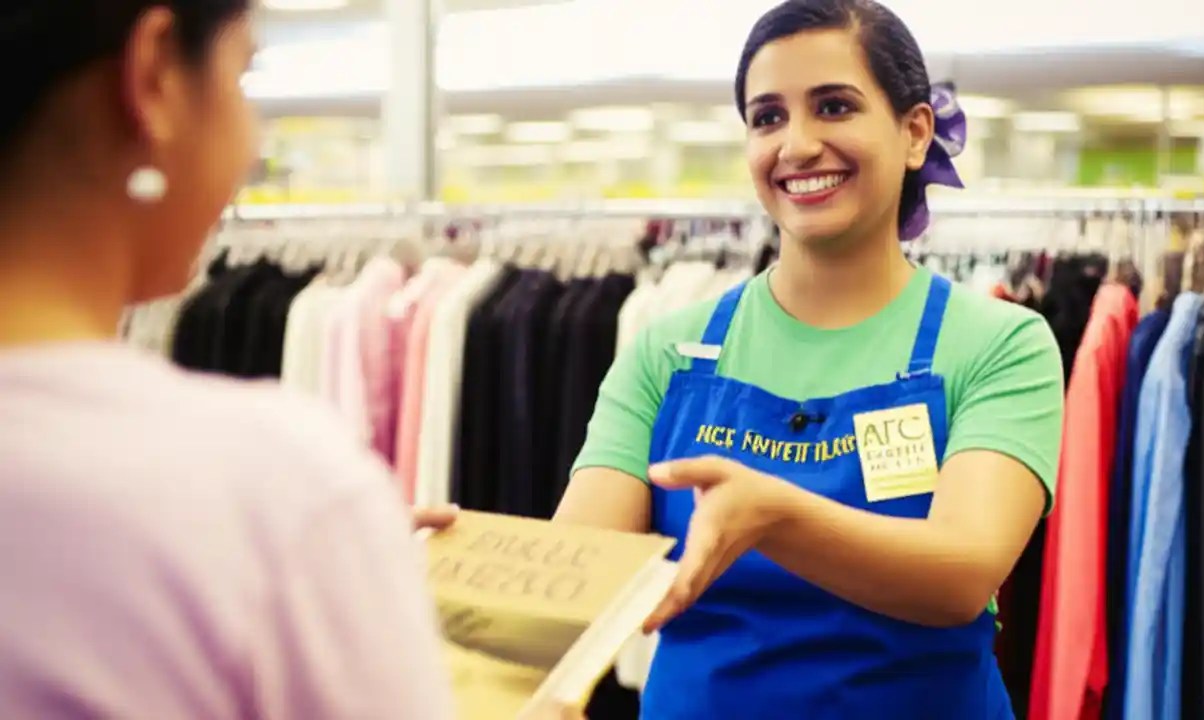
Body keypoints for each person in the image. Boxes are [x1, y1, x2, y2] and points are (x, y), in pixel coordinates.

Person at [0, 2, 580, 718]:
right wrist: (316, 553)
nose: (252, 144)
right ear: (153, 77)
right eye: (245, 74)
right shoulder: (270, 489)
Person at [554, 1, 1065, 718]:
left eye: (833, 106)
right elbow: (578, 572)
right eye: (767, 117)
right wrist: (457, 570)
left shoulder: (1000, 344)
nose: (795, 145)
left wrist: (773, 517)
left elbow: (959, 573)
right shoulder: (666, 349)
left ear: (915, 131)